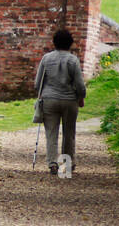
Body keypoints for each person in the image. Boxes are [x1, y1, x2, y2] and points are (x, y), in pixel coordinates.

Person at [34, 29, 86, 175]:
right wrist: (81, 97)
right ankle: (67, 164)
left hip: (49, 99)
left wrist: (42, 95)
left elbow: (38, 83)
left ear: (54, 42)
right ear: (70, 43)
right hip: (69, 101)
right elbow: (80, 84)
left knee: (51, 132)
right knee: (69, 133)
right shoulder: (73, 60)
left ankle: (52, 163)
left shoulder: (46, 59)